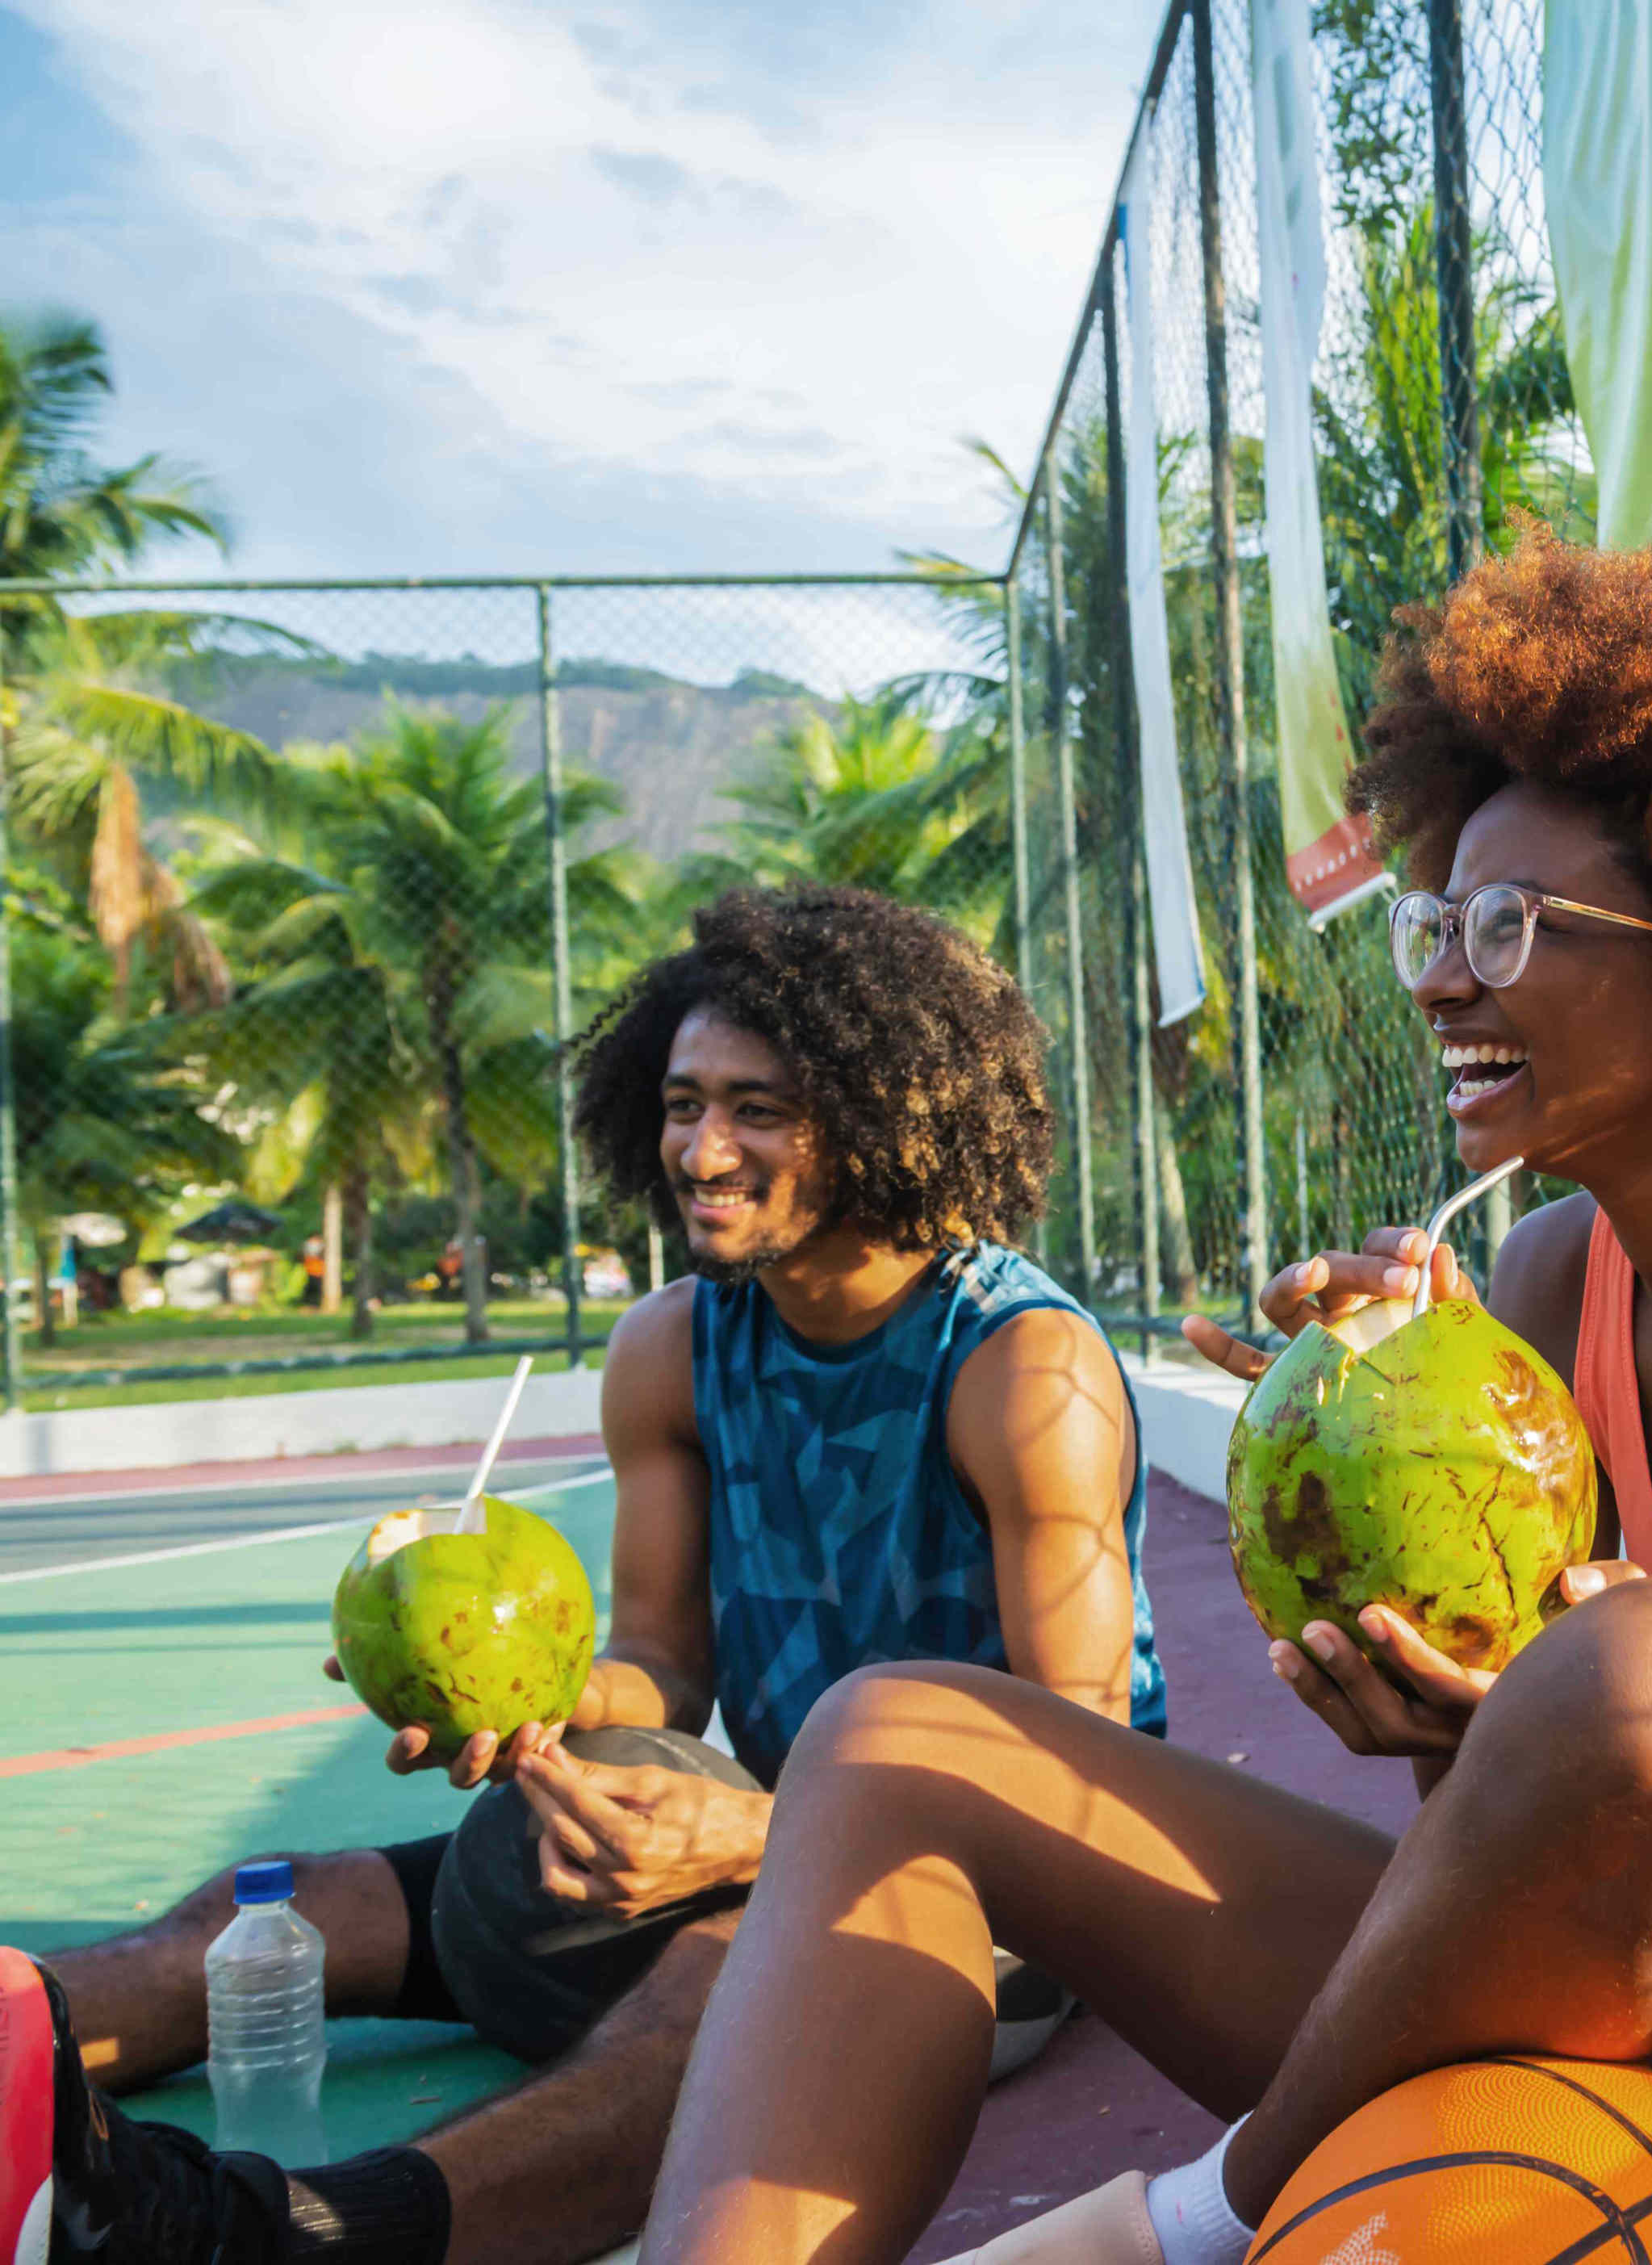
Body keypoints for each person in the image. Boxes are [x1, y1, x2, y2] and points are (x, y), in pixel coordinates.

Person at [629, 528, 1652, 2265]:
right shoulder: (1537, 1295)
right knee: (894, 1738)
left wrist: (1607, 1715)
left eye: (1505, 924)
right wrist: (1450, 1675)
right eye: (1429, 919)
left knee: (1645, 1667)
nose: (1439, 976)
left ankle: (1181, 2221)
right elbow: (1495, 1867)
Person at [4, 885, 1167, 2265]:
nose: (702, 1147)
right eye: (681, 1103)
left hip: (1008, 1892)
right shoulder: (672, 1345)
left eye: (756, 1107)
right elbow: (665, 1670)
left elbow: (1080, 1766)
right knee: (281, 1904)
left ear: (883, 1115)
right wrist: (512, 1691)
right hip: (784, 1831)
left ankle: (279, 2238)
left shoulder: (1023, 1367)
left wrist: (750, 1838)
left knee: (719, 1991)